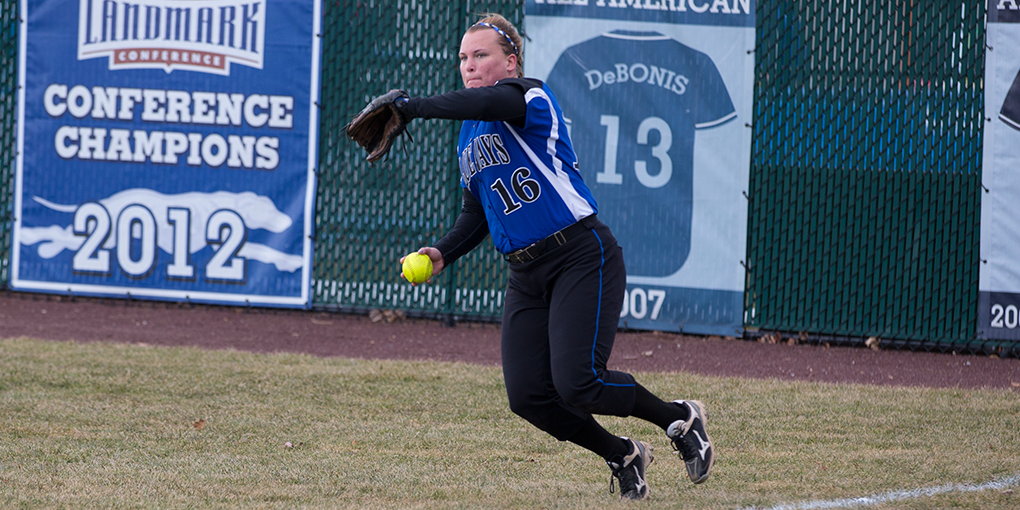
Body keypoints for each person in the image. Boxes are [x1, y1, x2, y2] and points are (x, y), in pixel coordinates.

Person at [384, 14, 715, 500]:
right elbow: (477, 211)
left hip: (579, 254)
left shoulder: (528, 97)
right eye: (463, 58)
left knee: (580, 384)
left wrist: (413, 107)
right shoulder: (469, 133)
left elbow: (489, 100)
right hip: (525, 274)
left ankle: (679, 418)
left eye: (481, 55)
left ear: (511, 61)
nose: (469, 66)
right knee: (528, 396)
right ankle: (623, 454)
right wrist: (441, 253)